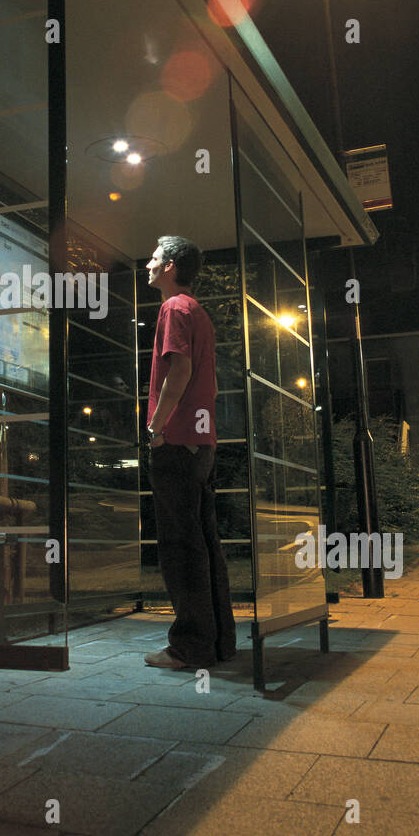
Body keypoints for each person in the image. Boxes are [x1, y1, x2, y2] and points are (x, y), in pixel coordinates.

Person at [143, 236, 236, 670]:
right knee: (204, 543)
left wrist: (155, 428)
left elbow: (178, 368)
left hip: (177, 441)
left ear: (170, 267)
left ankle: (190, 647)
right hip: (201, 443)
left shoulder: (174, 308)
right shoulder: (196, 311)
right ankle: (219, 642)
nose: (148, 263)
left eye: (155, 258)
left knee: (180, 546)